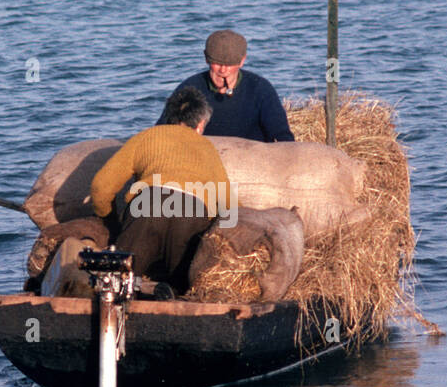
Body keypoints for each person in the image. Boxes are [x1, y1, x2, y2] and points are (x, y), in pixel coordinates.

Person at [90, 88, 235, 294]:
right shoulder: (207, 148)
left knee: (117, 283)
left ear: (169, 115)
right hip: (192, 213)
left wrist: (111, 222)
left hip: (147, 206)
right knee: (185, 288)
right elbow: (228, 206)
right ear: (201, 124)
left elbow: (100, 186)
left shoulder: (146, 137)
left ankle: (131, 296)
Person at [161, 29, 294, 142]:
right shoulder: (187, 91)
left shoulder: (260, 89)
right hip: (203, 163)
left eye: (230, 64)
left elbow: (283, 138)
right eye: (217, 63)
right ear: (206, 59)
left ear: (242, 61)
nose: (223, 70)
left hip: (252, 165)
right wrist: (156, 174)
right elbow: (159, 136)